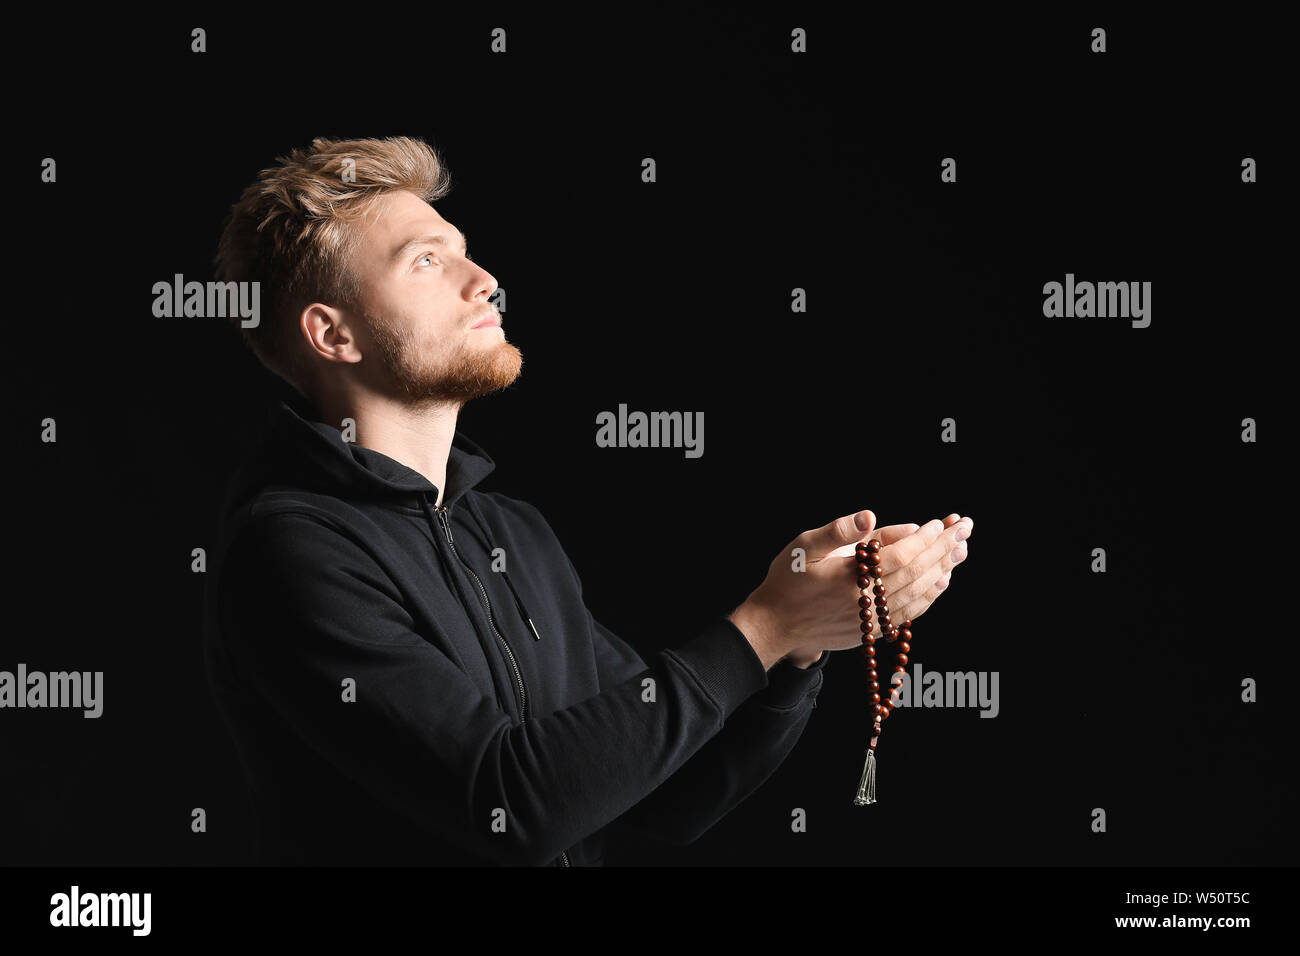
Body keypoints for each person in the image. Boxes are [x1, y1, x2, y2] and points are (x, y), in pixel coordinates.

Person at [201, 136, 975, 866]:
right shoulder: (292, 551)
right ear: (333, 335)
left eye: (467, 255)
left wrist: (803, 644)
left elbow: (665, 793)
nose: (483, 282)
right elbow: (512, 802)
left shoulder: (511, 533)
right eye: (427, 262)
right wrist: (765, 626)